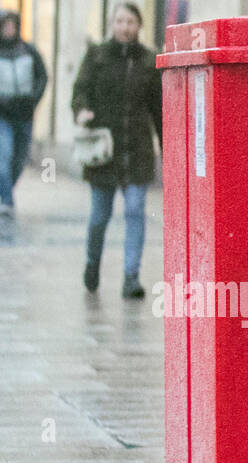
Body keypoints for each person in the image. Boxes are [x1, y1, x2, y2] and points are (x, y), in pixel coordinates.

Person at [71, 2, 162, 298]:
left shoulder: (149, 61)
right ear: (112, 24)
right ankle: (92, 263)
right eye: (120, 21)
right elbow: (80, 90)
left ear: (139, 26)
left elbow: (159, 109)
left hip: (137, 150)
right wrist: (82, 111)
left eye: (131, 22)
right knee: (100, 215)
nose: (125, 27)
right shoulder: (97, 56)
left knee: (135, 211)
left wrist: (167, 148)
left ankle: (131, 276)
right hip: (104, 151)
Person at [0, 9, 47, 217]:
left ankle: (5, 191)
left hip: (24, 114)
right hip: (3, 115)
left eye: (12, 25)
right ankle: (7, 201)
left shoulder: (28, 51)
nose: (9, 29)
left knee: (19, 159)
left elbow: (42, 76)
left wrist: (33, 99)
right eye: (5, 25)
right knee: (4, 156)